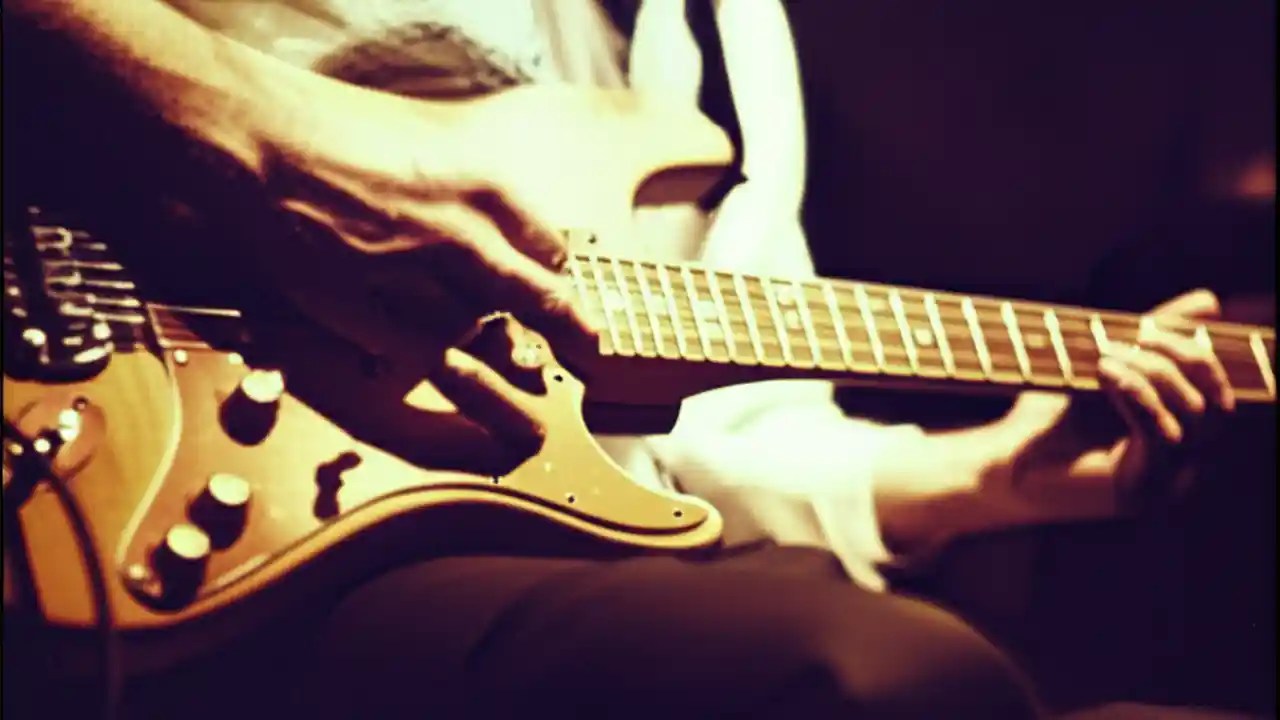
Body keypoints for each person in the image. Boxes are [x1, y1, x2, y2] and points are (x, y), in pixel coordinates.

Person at [2, 1, 1240, 718]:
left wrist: (987, 477)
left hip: (432, 517)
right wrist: (255, 142)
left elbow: (685, 439)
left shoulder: (717, 31)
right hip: (106, 402)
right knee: (885, 684)